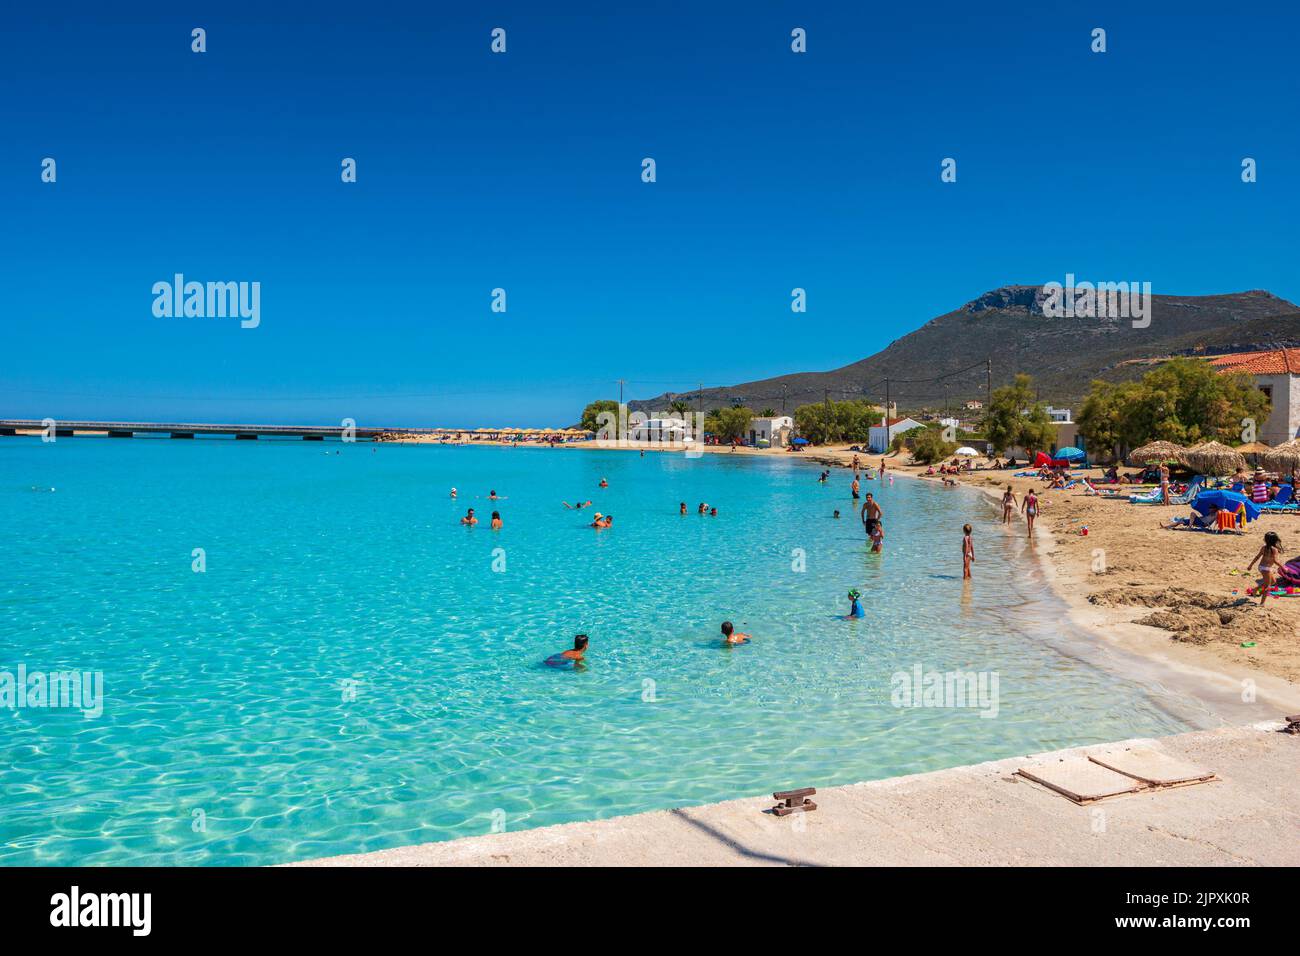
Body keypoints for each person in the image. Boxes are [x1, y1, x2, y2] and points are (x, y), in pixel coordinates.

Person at [1247, 531, 1284, 605]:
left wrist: (1250, 565)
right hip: (1266, 568)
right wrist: (1283, 567)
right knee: (1268, 586)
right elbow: (1275, 561)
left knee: (1273, 581)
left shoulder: (1264, 547)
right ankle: (1262, 603)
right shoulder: (1274, 550)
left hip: (1261, 567)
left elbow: (1257, 557)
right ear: (1275, 540)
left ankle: (1255, 589)